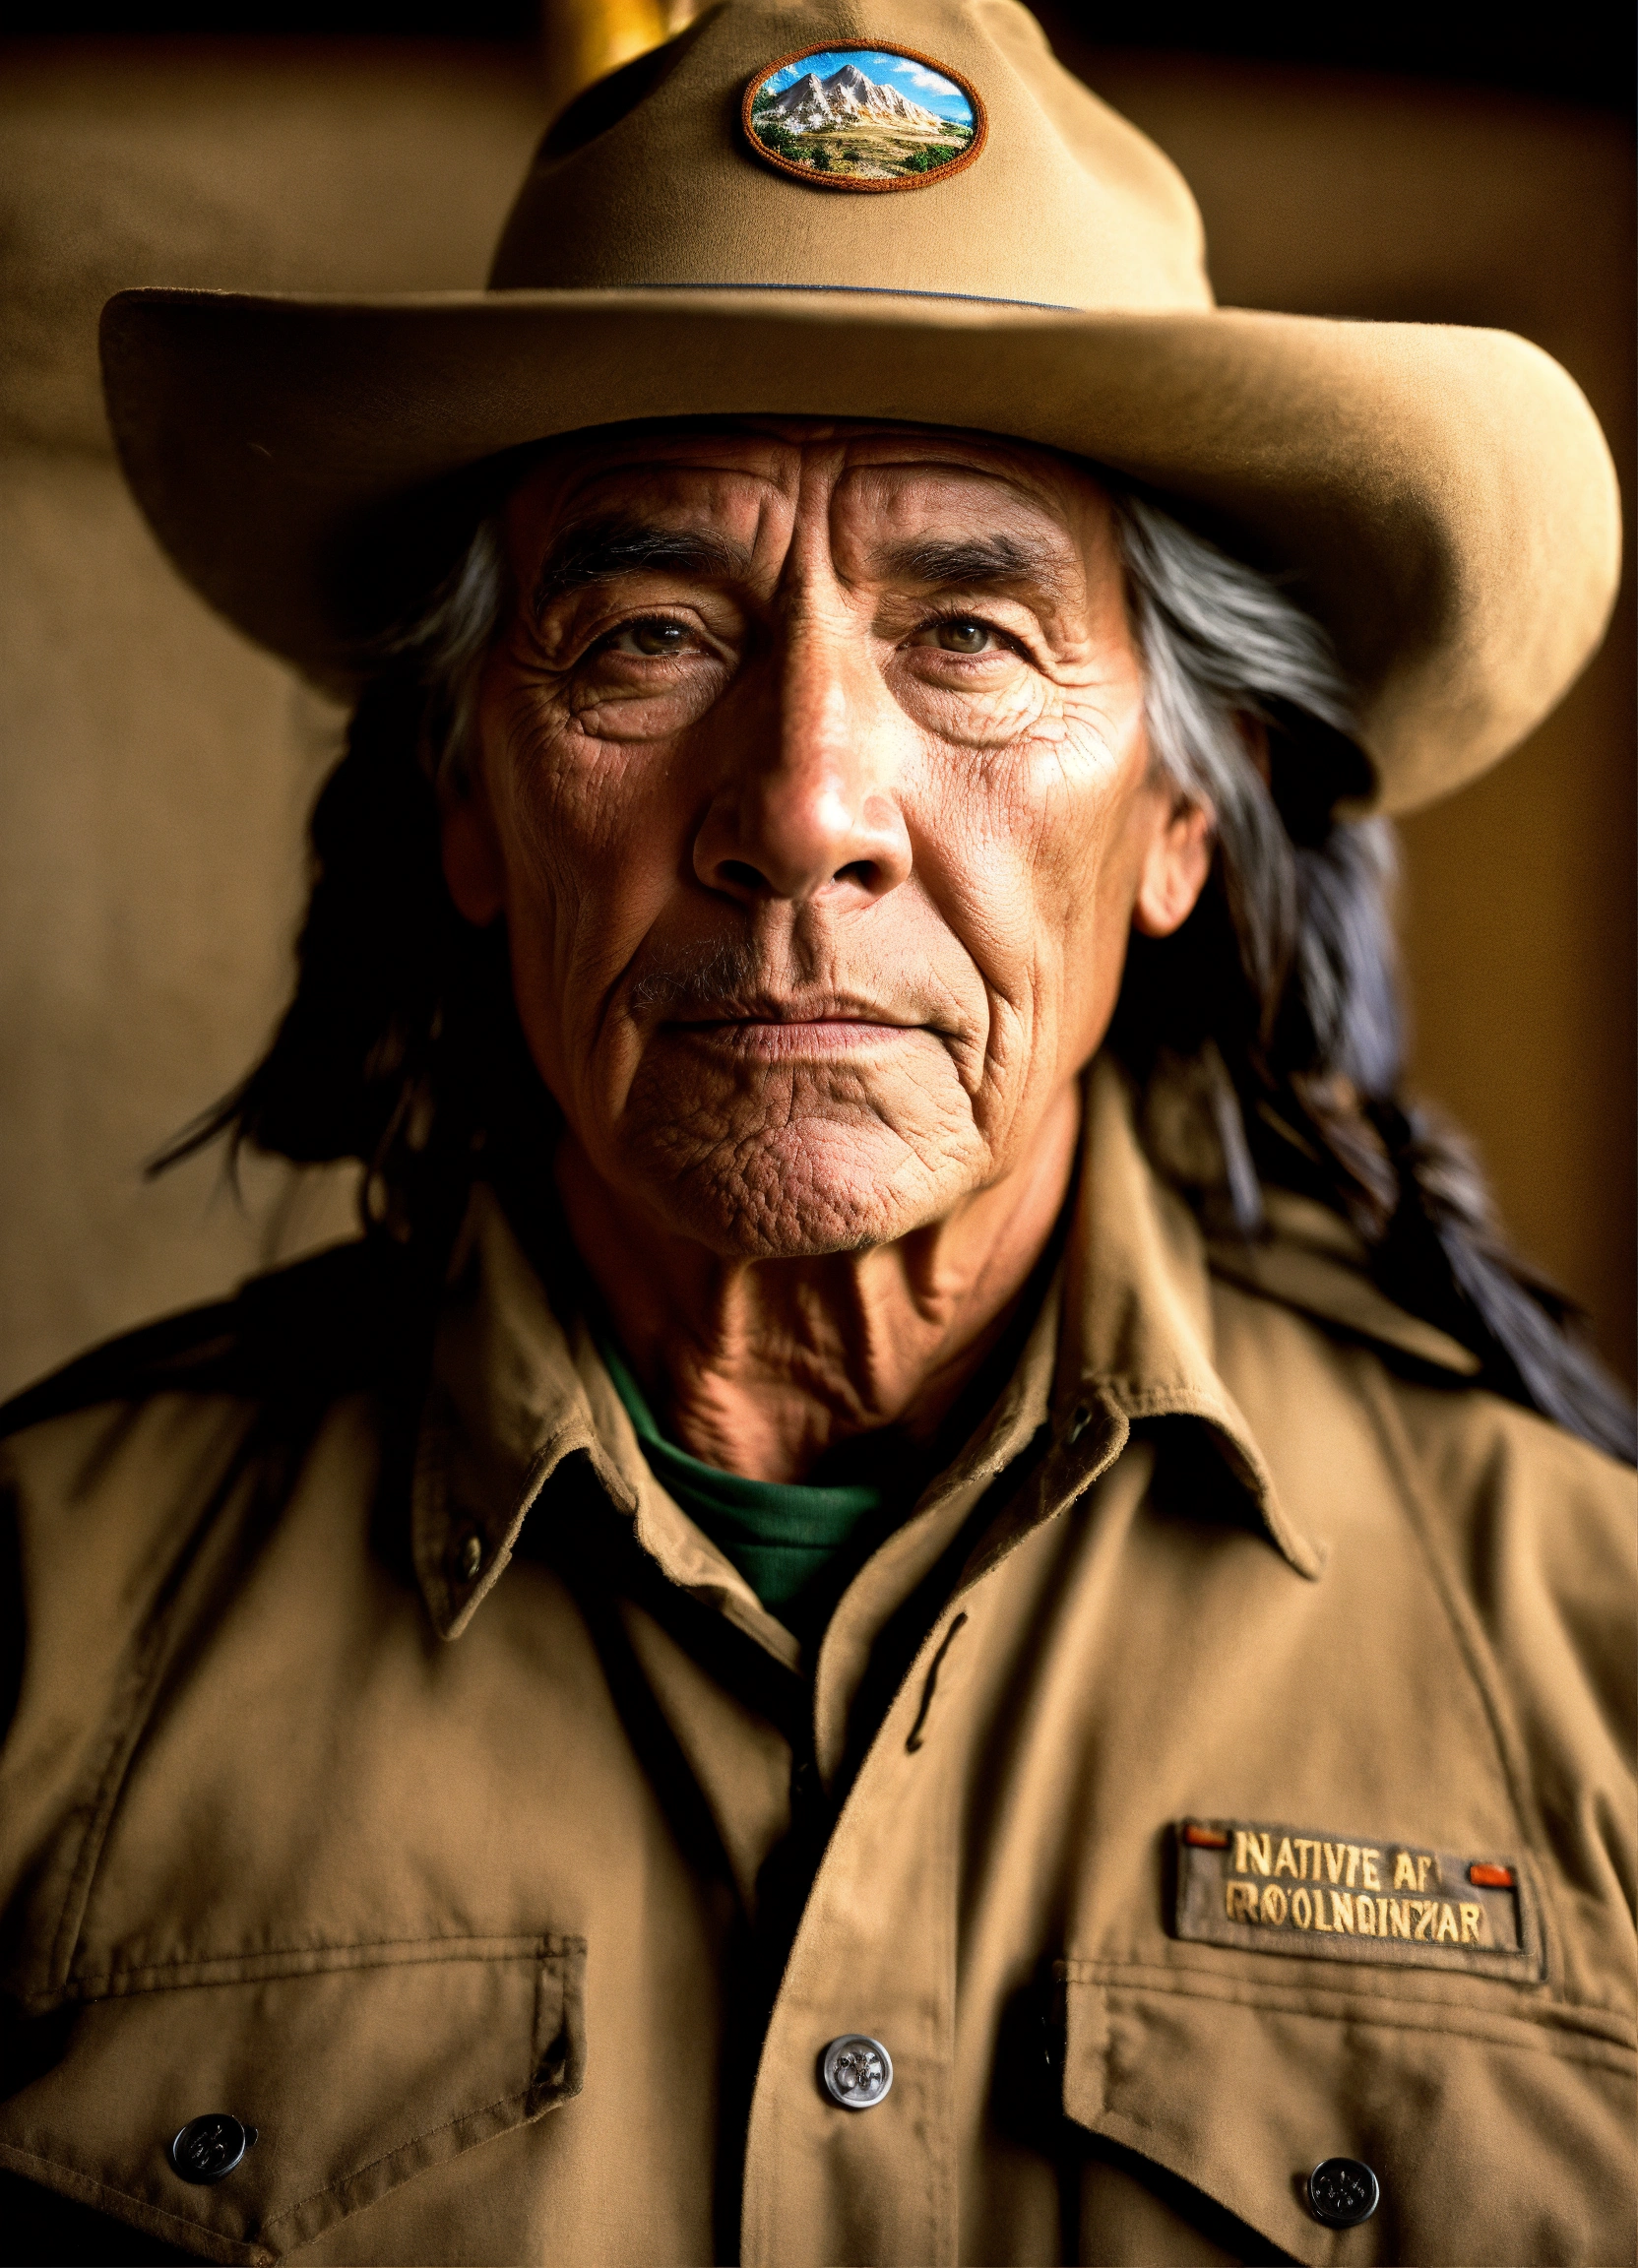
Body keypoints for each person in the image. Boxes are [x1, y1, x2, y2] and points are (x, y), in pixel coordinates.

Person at [1, 3, 1632, 2261]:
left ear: (1180, 819)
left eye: (968, 636)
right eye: (650, 633)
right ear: (470, 801)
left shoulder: (1590, 1650)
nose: (798, 810)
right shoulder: (46, 1630)